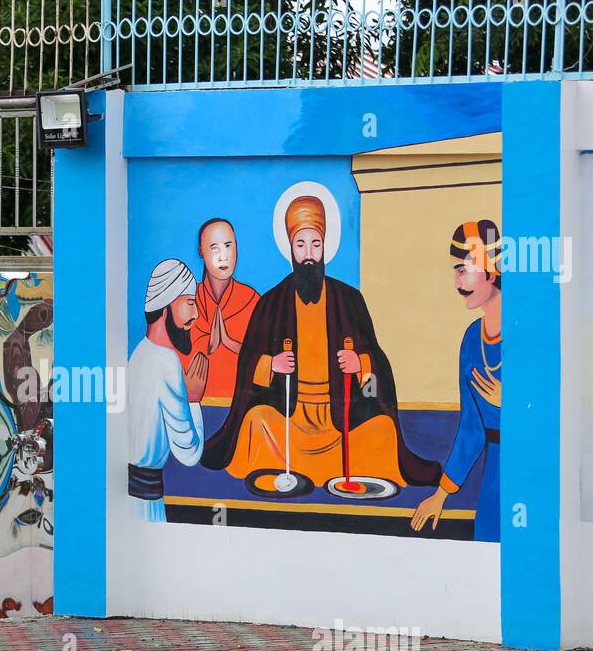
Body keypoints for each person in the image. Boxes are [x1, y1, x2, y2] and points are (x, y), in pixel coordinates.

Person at [201, 194, 440, 488]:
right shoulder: (271, 303)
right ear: (290, 248)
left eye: (316, 244)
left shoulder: (349, 300)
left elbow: (377, 365)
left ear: (326, 245)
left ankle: (315, 469)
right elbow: (249, 363)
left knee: (383, 431)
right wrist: (271, 365)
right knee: (256, 422)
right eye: (300, 245)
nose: (309, 253)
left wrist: (361, 363)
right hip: (290, 422)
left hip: (340, 423)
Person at [411, 220, 502, 540]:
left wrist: (516, 403)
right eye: (455, 271)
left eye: (463, 270)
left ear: (491, 272)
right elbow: (471, 429)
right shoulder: (471, 339)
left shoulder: (528, 330)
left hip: (532, 464)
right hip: (494, 473)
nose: (456, 281)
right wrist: (441, 495)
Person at [128, 259, 208, 522]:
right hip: (145, 506)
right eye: (189, 302)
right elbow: (189, 453)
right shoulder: (166, 361)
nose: (195, 315)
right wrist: (194, 399)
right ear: (165, 306)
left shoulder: (139, 353)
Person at [179, 217, 261, 401]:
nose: (223, 256)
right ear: (201, 252)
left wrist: (232, 344)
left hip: (243, 410)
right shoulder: (187, 301)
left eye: (228, 246)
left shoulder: (252, 301)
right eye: (214, 247)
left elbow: (267, 362)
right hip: (192, 409)